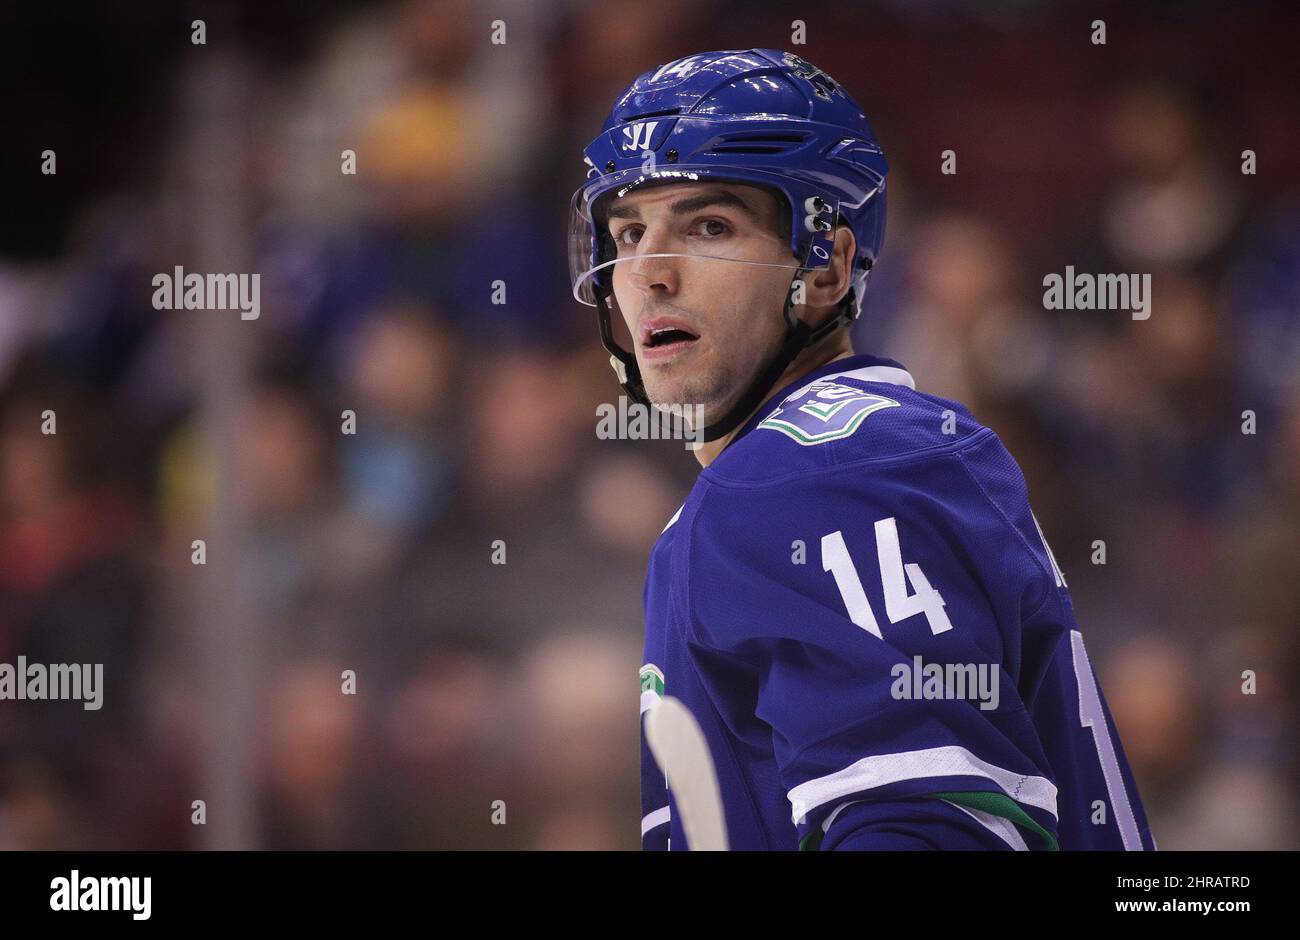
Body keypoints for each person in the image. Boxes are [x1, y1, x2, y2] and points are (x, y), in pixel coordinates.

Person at [569, 48, 1155, 850]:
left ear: (828, 265)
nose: (649, 273)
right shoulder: (862, 453)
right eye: (629, 231)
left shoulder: (816, 474)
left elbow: (929, 832)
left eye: (709, 225)